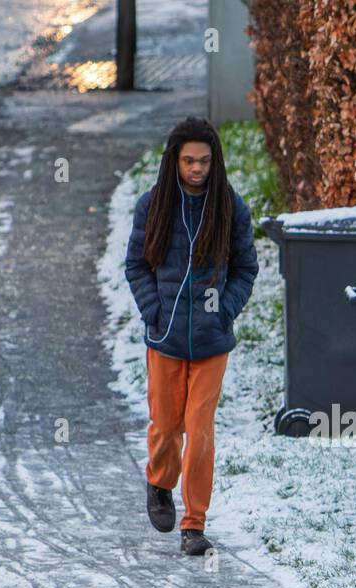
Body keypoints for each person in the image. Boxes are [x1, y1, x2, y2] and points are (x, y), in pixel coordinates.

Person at [125, 117, 259, 556]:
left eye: (203, 161)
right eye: (188, 161)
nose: (196, 169)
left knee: (199, 431)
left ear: (214, 162)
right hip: (164, 338)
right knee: (167, 427)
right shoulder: (154, 206)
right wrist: (153, 310)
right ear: (175, 161)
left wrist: (226, 309)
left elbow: (245, 268)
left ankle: (194, 524)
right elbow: (137, 265)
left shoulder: (230, 208)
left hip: (210, 342)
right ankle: (160, 483)